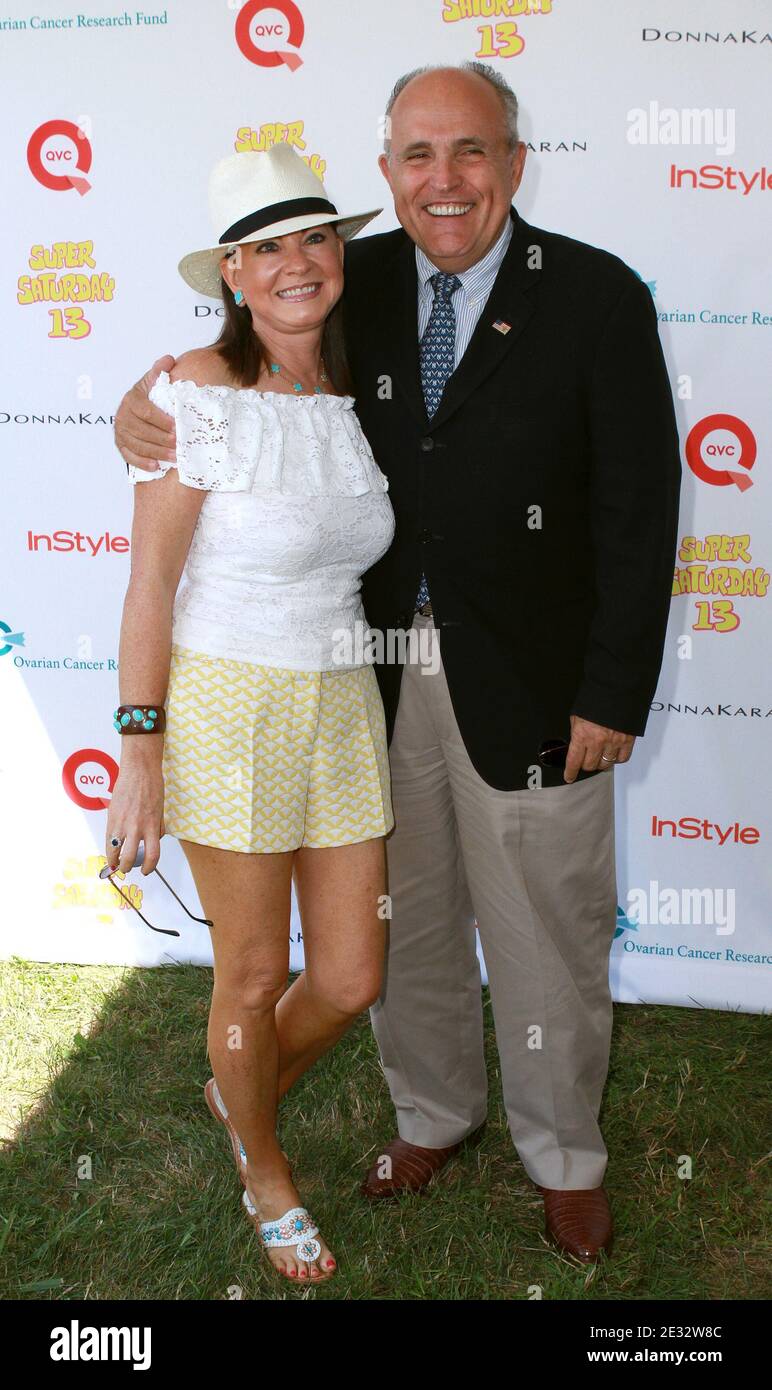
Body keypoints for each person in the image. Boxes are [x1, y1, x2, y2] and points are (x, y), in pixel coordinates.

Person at [114, 62, 682, 1263]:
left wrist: (609, 690)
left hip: (534, 682)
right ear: (384, 172)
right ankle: (430, 1115)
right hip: (356, 681)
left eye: (469, 151)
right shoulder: (347, 282)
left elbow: (640, 508)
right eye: (417, 156)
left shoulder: (592, 295)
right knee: (399, 928)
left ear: (514, 162)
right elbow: (229, 361)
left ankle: (562, 1155)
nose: (444, 179)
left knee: (548, 928)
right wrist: (141, 402)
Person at [106, 143, 395, 1282]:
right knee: (248, 971)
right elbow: (148, 582)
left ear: (340, 254)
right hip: (227, 696)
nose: (294, 264)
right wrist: (140, 746)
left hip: (341, 702)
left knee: (348, 977)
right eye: (264, 248)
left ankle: (241, 1085)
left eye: (313, 238)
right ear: (230, 273)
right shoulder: (190, 394)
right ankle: (264, 1168)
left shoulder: (358, 380)